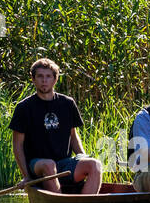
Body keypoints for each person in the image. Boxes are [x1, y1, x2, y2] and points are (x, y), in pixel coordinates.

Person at [9, 58, 102, 194]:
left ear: (55, 79)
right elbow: (17, 146)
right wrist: (26, 176)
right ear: (33, 79)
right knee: (49, 164)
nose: (44, 80)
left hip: (65, 164)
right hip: (38, 166)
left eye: (48, 76)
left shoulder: (67, 103)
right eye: (40, 76)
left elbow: (73, 136)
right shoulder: (24, 107)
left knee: (95, 164)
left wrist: (82, 156)